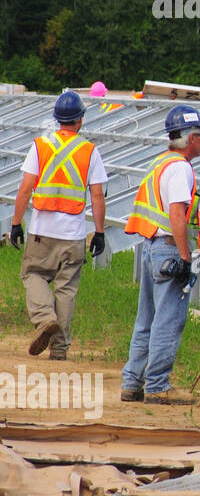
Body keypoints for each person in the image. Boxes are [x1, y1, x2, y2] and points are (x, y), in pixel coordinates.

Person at [120, 105, 200, 405]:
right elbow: (177, 215)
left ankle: (132, 382)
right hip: (169, 248)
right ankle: (157, 385)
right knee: (168, 320)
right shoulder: (181, 168)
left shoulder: (160, 162)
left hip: (151, 248)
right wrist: (186, 257)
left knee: (146, 319)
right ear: (190, 137)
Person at [9, 91, 108, 361]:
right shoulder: (89, 151)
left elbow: (25, 189)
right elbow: (97, 195)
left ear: (56, 120)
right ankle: (60, 349)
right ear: (79, 120)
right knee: (66, 289)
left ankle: (44, 318)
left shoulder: (40, 146)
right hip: (73, 234)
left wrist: (16, 223)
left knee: (33, 275)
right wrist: (99, 232)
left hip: (42, 231)